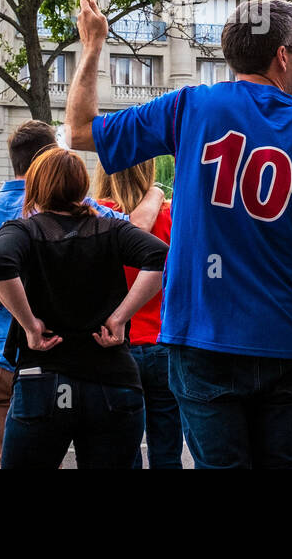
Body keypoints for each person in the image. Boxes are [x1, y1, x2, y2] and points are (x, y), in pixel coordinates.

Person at [65, 0, 292, 469]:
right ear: (283, 55)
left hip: (201, 340)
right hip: (283, 342)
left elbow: (80, 131)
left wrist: (92, 45)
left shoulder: (190, 107)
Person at [0, 119, 163, 469]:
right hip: (112, 377)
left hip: (40, 376)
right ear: (82, 186)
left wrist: (30, 325)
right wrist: (121, 318)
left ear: (37, 185)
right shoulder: (108, 226)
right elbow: (158, 256)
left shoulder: (22, 230)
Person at [93, 159, 182, 469]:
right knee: (168, 449)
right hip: (163, 342)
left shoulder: (95, 216)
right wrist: (157, 194)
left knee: (122, 450)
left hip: (113, 346)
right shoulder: (172, 216)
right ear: (148, 172)